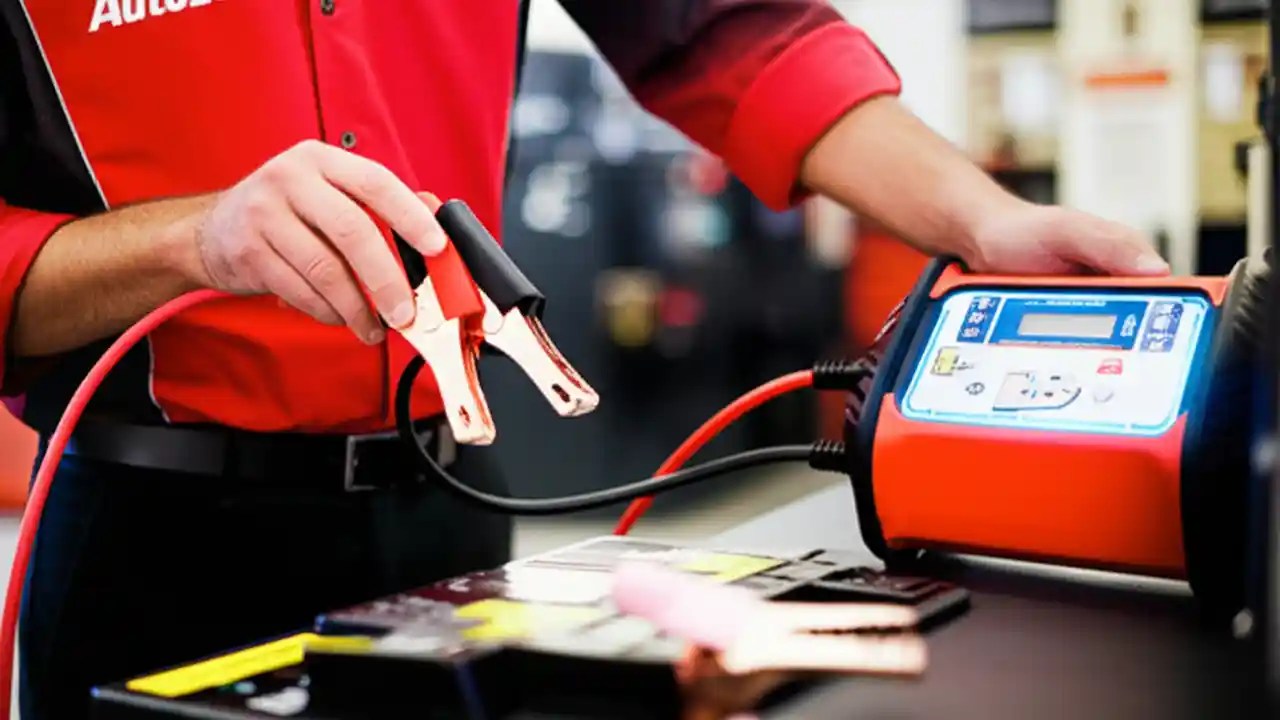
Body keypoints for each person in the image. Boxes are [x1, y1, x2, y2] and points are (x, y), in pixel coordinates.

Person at [0, 2, 1167, 718]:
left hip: (448, 515)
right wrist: (189, 239)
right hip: (146, 545)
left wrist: (979, 219)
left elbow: (722, 26)